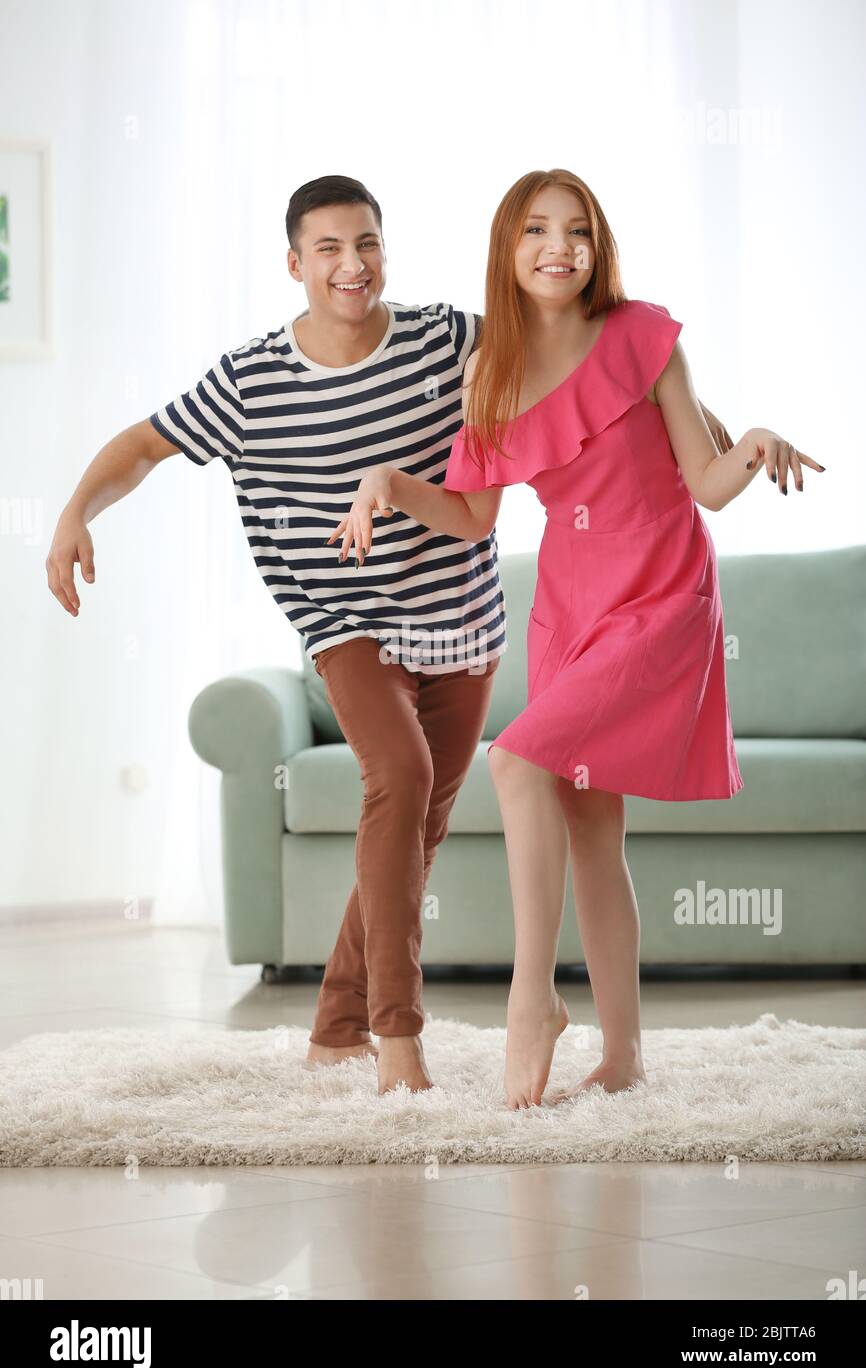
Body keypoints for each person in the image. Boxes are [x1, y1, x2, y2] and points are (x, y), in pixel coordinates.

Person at [326, 167, 824, 1110]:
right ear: (507, 253)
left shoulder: (642, 337)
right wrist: (389, 480)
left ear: (597, 248)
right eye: (537, 232)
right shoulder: (495, 375)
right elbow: (474, 517)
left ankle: (531, 999)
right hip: (569, 604)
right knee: (594, 831)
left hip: (663, 594)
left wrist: (753, 441)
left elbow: (707, 483)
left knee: (514, 762)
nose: (559, 248)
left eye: (577, 231)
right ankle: (626, 1055)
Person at [44, 174, 505, 1097]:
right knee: (401, 779)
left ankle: (336, 1026)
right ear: (295, 264)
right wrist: (71, 514)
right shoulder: (252, 379)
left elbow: (570, 356)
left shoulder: (448, 337)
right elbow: (142, 446)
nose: (352, 264)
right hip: (343, 623)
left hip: (461, 614)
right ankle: (395, 1037)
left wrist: (687, 413)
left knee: (419, 825)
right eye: (329, 248)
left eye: (367, 243)